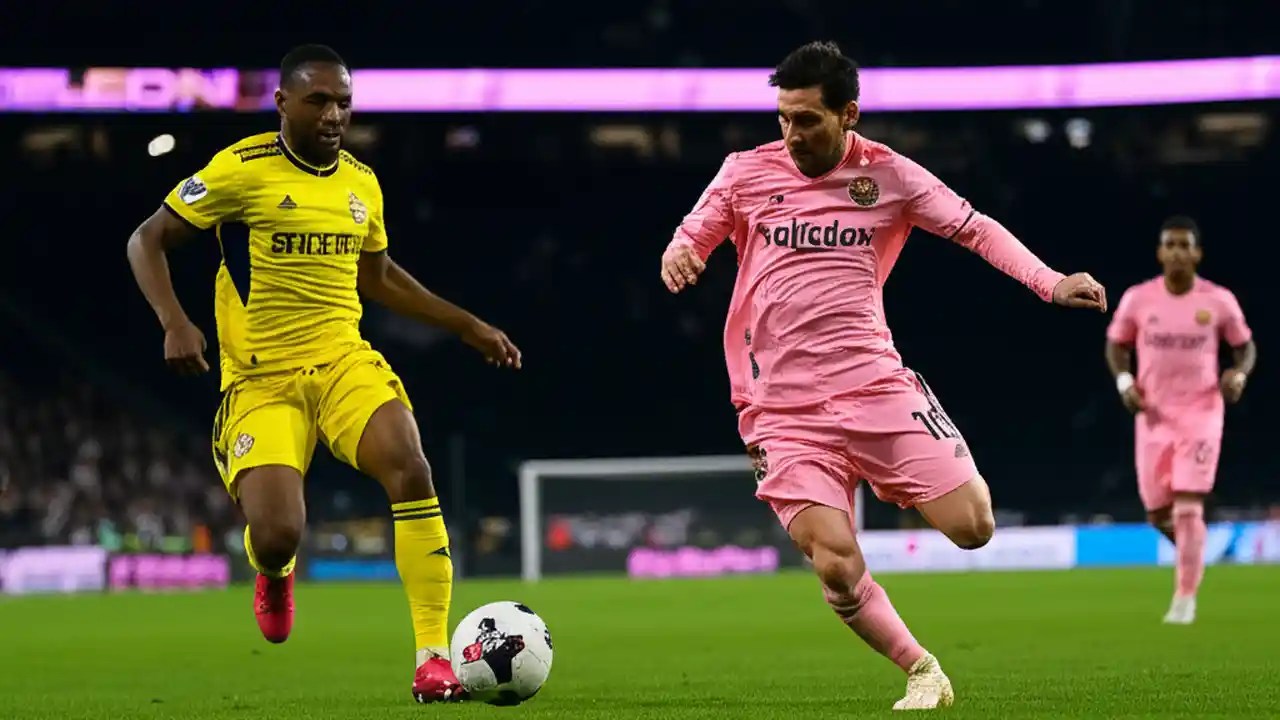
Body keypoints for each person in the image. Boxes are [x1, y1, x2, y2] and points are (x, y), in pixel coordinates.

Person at [660, 41, 1106, 710]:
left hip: (874, 387)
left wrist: (1050, 282)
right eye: (782, 117)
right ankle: (923, 669)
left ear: (849, 115)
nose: (791, 133)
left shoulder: (890, 176)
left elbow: (974, 228)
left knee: (974, 526)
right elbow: (693, 231)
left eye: (807, 119)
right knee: (835, 565)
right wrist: (681, 253)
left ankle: (919, 414)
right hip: (781, 410)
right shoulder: (744, 173)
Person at [125, 44, 522, 703]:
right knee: (279, 532)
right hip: (263, 379)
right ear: (283, 103)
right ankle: (273, 570)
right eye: (318, 101)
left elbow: (380, 277)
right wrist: (173, 320)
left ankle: (432, 658)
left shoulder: (361, 182)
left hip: (343, 362)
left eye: (343, 102)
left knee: (410, 465)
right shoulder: (240, 171)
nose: (334, 113)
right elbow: (146, 238)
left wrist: (464, 324)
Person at [1104, 215, 1255, 625]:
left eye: (1184, 245)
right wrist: (1123, 382)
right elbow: (1116, 345)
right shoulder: (1139, 299)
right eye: (1170, 245)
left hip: (1202, 413)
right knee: (1157, 511)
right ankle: (1195, 551)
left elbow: (1245, 347)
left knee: (1188, 505)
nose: (1177, 252)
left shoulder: (1218, 301)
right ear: (1160, 252)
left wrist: (1238, 373)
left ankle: (1184, 598)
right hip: (1153, 415)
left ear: (1197, 253)